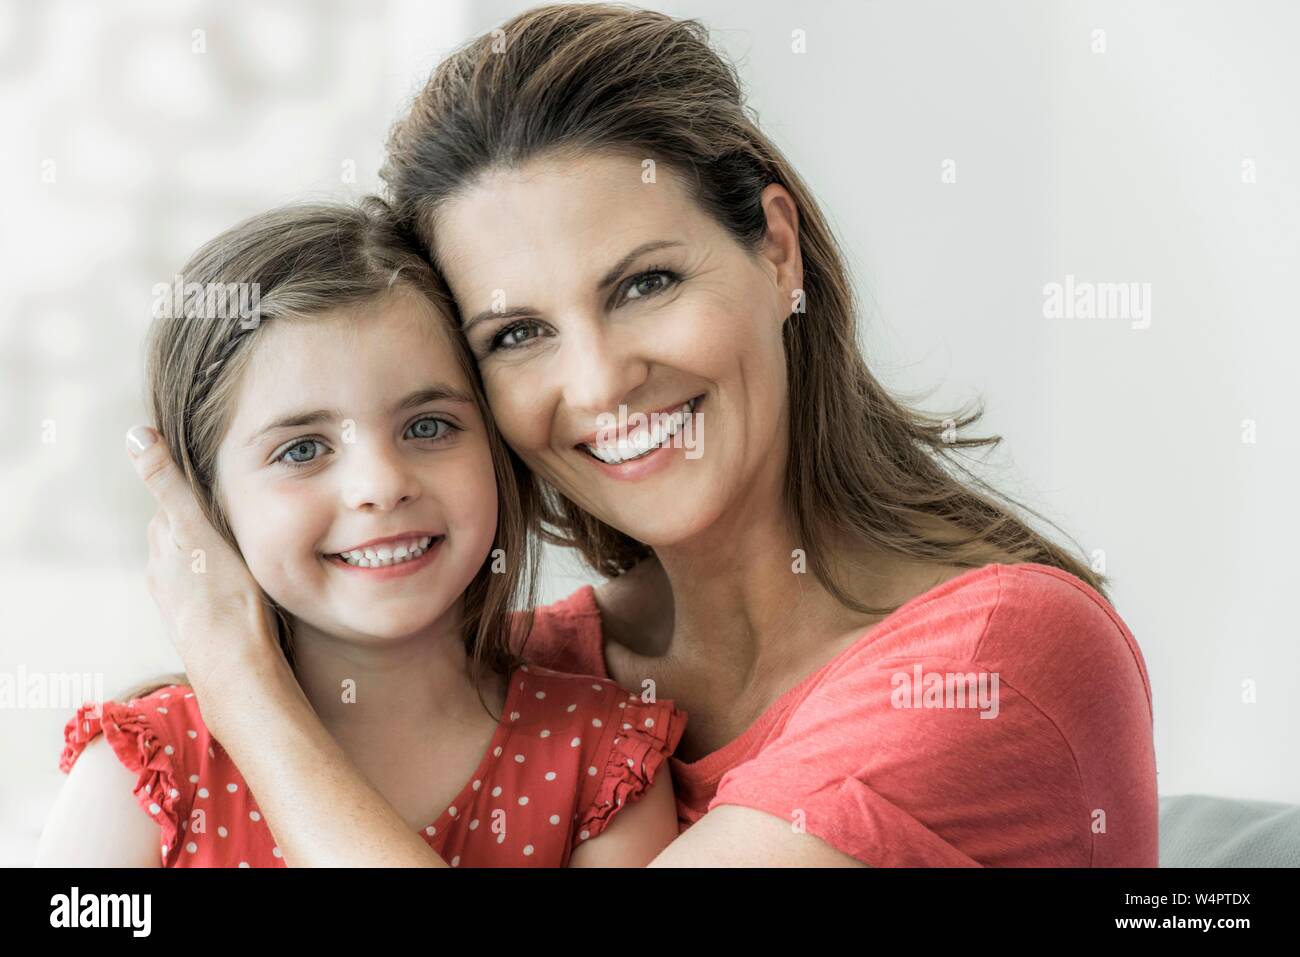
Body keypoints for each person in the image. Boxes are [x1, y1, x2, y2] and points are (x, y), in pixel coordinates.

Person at [119, 4, 1158, 866]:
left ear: (777, 252)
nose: (601, 379)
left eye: (644, 284)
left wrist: (240, 683)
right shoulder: (537, 681)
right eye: (519, 333)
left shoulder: (994, 658)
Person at [35, 198, 686, 868]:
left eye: (427, 425)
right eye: (301, 449)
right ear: (204, 506)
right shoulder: (146, 771)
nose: (379, 483)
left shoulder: (605, 760)